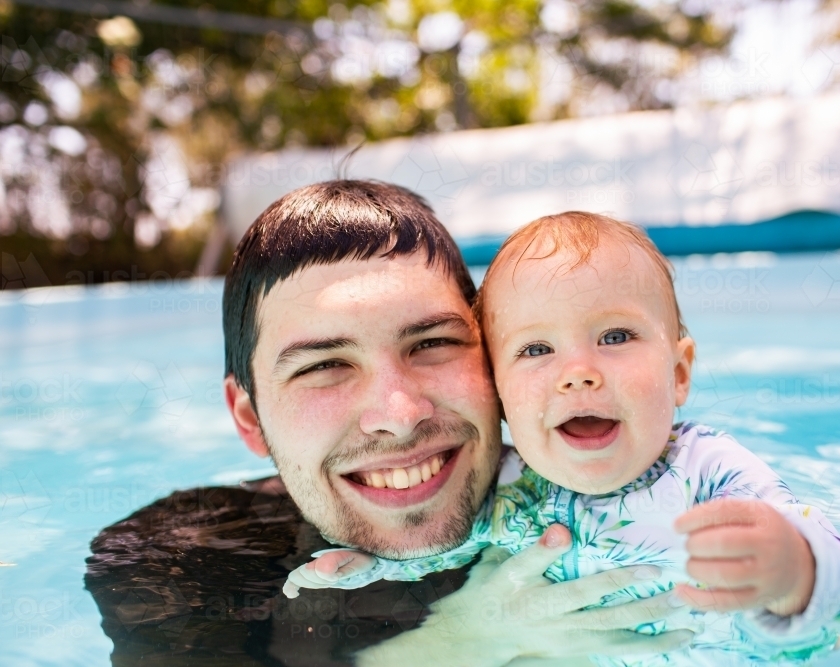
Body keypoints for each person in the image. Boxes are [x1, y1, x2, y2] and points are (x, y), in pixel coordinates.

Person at [281, 212, 840, 663]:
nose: (579, 371)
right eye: (536, 350)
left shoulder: (707, 470)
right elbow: (449, 549)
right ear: (500, 397)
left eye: (615, 337)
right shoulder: (509, 486)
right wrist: (372, 568)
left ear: (679, 373)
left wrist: (795, 568)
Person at [218, 181, 698, 664]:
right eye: (323, 366)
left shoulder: (629, 484)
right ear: (249, 417)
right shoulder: (185, 571)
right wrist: (465, 640)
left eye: (433, 344)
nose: (400, 417)